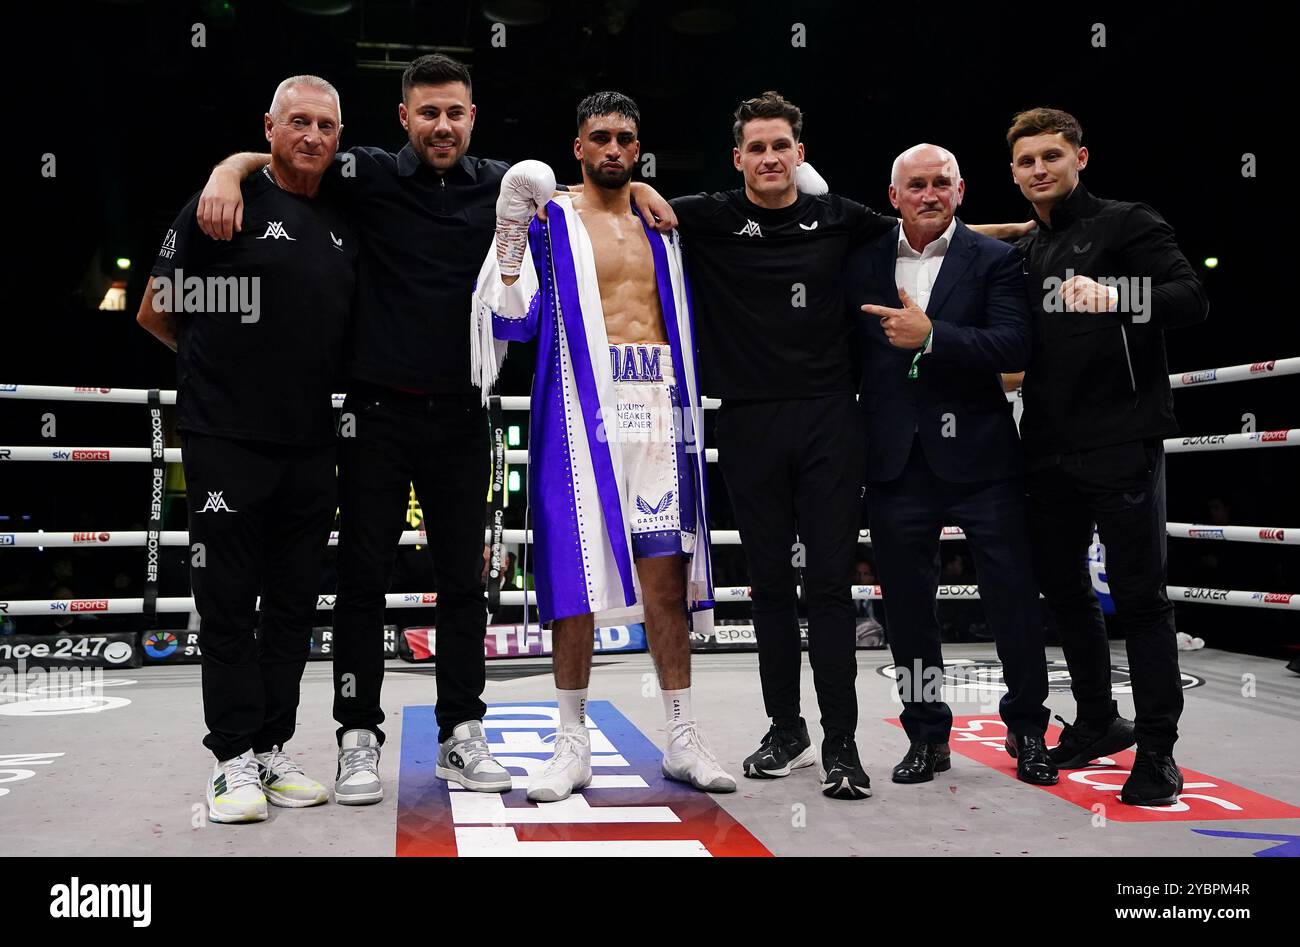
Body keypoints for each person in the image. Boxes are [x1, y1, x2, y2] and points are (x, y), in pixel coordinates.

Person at [197, 56, 669, 804]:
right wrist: (228, 172)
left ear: (472, 117)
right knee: (361, 581)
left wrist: (637, 184)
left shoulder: (504, 187)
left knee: (464, 583)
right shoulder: (368, 174)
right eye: (428, 113)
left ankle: (461, 730)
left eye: (455, 112)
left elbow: (590, 191)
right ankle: (358, 735)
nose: (442, 125)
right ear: (404, 119)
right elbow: (292, 150)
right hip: (372, 414)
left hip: (460, 412)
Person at [661, 92, 1030, 801]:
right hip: (744, 419)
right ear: (738, 158)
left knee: (829, 586)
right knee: (768, 586)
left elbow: (929, 232)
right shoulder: (704, 216)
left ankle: (841, 745)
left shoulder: (842, 218)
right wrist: (642, 184)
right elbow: (624, 210)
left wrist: (1026, 232)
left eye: (782, 146)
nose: (770, 158)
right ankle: (785, 729)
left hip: (833, 418)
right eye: (756, 148)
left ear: (801, 155)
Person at [473, 92, 733, 802]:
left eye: (626, 138)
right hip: (581, 406)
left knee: (665, 574)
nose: (614, 148)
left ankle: (682, 734)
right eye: (600, 138)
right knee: (575, 576)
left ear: (637, 147)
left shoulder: (663, 223)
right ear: (578, 146)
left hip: (660, 405)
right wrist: (510, 228)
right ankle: (571, 741)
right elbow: (513, 319)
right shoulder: (551, 216)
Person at [137, 75, 356, 823]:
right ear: (269, 126)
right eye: (298, 121)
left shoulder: (341, 215)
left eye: (326, 125)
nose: (313, 136)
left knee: (293, 604)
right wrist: (222, 371)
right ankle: (230, 759)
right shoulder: (224, 203)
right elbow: (158, 310)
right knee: (228, 603)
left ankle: (271, 748)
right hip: (226, 439)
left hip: (309, 443)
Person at [1006, 107, 1208, 806]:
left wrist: (1120, 295)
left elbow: (1193, 297)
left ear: (1080, 159)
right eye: (1027, 161)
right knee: (1063, 593)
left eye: (1051, 156)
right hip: (1047, 448)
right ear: (1013, 172)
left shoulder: (1128, 222)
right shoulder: (1029, 249)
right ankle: (1096, 719)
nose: (1039, 169)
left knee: (1141, 599)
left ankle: (1158, 752)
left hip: (1122, 440)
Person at [848, 144, 1056, 787]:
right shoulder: (863, 259)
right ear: (894, 195)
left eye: (942, 183)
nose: (930, 194)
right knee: (908, 608)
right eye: (917, 184)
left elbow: (1016, 342)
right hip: (894, 460)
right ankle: (927, 736)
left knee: (1014, 600)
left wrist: (933, 335)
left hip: (984, 457)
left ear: (960, 192)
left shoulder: (995, 259)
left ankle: (1028, 731)